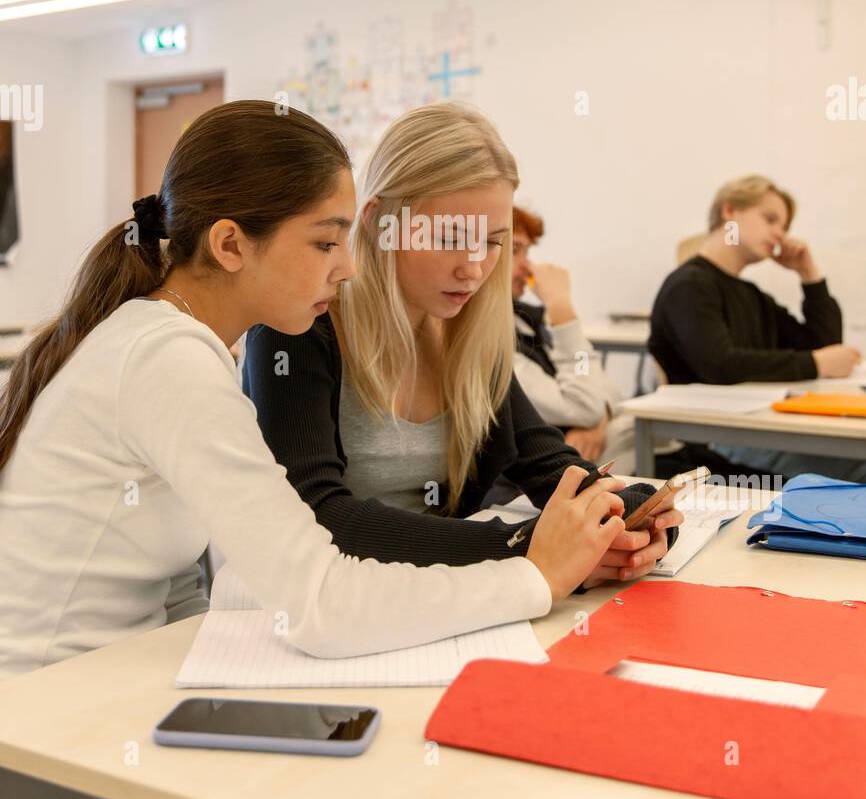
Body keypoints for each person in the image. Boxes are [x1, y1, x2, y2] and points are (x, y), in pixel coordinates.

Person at [0, 100, 629, 799]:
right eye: (327, 241)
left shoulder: (174, 345)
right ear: (231, 244)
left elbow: (203, 596)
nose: (350, 265)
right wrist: (535, 574)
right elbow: (319, 603)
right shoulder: (165, 359)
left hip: (96, 738)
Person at [243, 102, 681, 584]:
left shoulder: (469, 332)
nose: (473, 267)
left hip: (444, 595)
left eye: (494, 241)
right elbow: (318, 516)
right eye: (451, 237)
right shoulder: (299, 329)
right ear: (378, 223)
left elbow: (553, 468)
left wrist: (640, 521)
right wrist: (529, 545)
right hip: (329, 605)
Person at [649, 173, 865, 482]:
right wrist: (816, 363)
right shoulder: (689, 285)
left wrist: (809, 273)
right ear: (729, 212)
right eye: (770, 219)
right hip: (714, 440)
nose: (780, 234)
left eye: (785, 227)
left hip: (755, 429)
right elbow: (720, 365)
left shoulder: (751, 295)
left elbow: (824, 345)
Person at [509, 206, 635, 468]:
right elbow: (584, 406)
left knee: (631, 430)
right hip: (525, 478)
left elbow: (609, 389)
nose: (528, 266)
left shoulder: (528, 319)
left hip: (573, 458)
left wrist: (599, 422)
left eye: (528, 251)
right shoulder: (491, 338)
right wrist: (562, 309)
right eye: (514, 251)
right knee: (632, 436)